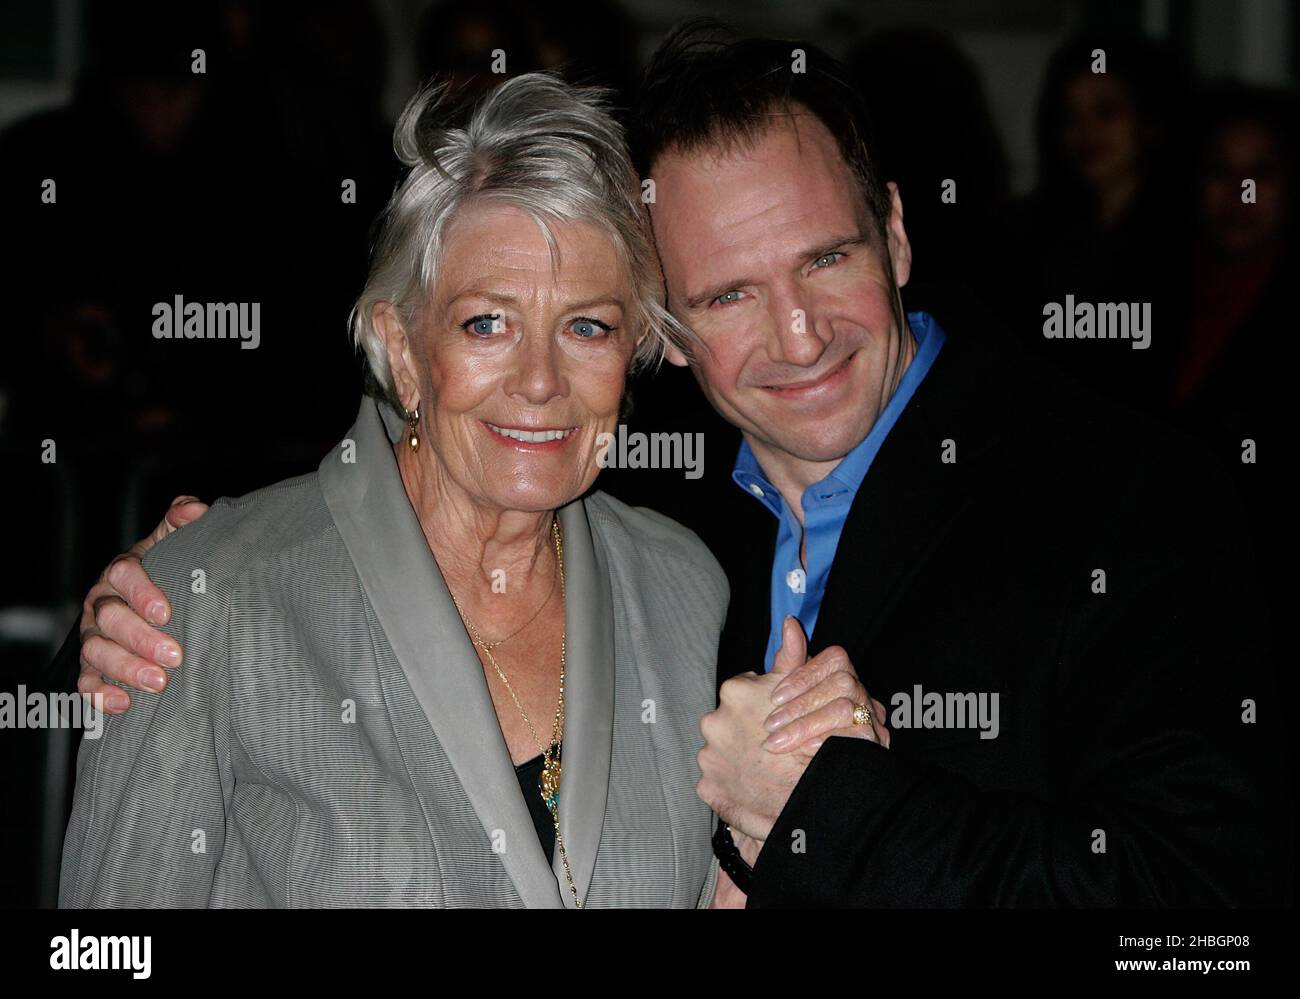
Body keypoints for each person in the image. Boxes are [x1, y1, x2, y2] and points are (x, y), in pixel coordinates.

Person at [67, 22, 1287, 908]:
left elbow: (1208, 921)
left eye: (825, 261)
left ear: (898, 233)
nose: (797, 335)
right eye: (729, 294)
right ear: (675, 331)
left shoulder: (1127, 501)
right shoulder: (670, 512)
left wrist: (837, 812)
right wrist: (213, 573)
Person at [57, 71, 866, 909]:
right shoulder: (214, 595)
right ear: (401, 348)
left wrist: (792, 813)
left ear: (633, 358)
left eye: (587, 326)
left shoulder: (681, 582)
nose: (541, 380)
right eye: (488, 323)